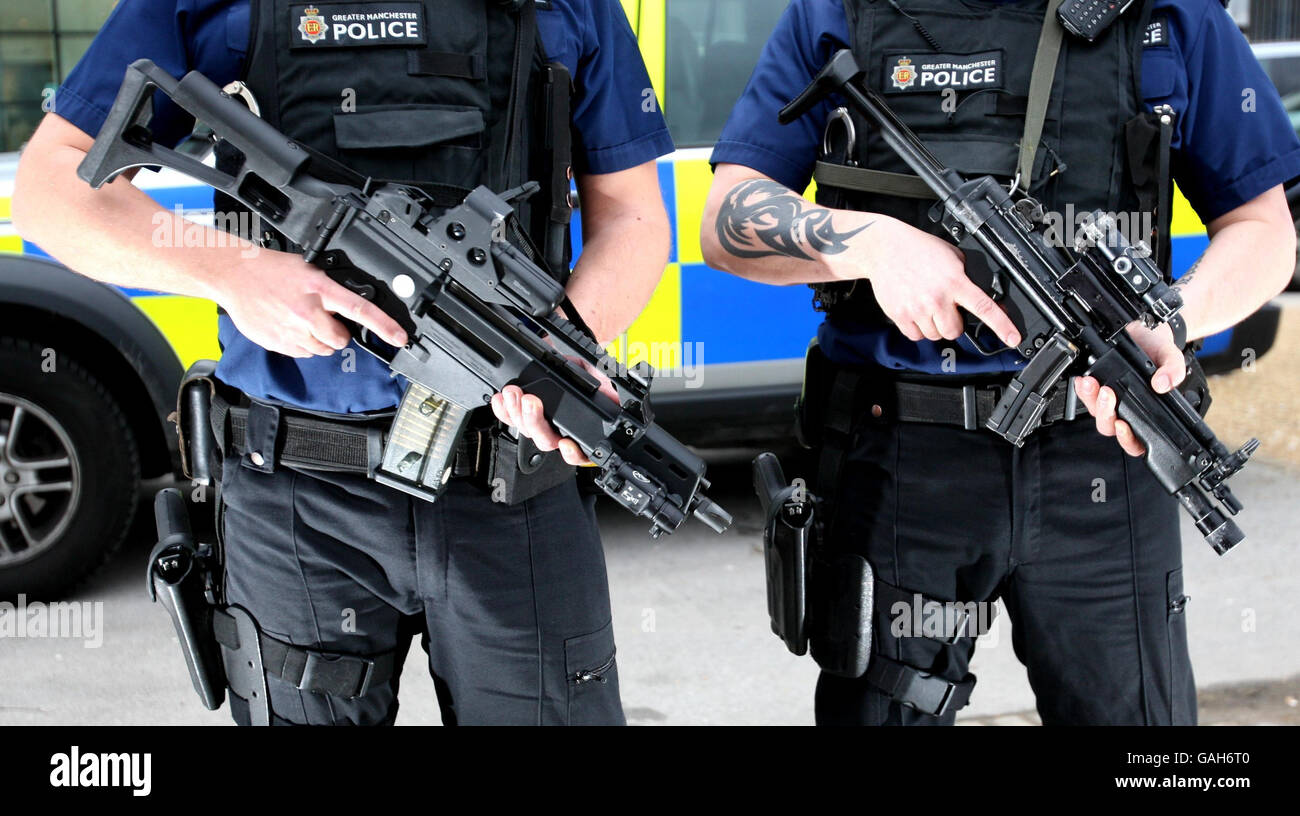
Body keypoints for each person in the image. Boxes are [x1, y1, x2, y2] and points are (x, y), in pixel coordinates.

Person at [13, 0, 673, 726]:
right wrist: (235, 272)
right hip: (293, 495)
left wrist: (558, 352)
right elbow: (52, 190)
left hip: (510, 485)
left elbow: (633, 217)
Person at [702, 0, 1298, 725]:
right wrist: (869, 244)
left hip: (1102, 456)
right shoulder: (838, 9)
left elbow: (1264, 228)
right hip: (899, 456)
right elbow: (727, 219)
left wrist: (1173, 318)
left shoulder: (1168, 14)